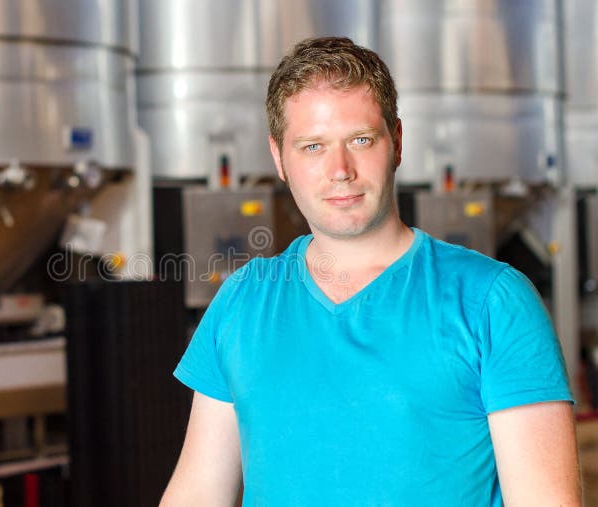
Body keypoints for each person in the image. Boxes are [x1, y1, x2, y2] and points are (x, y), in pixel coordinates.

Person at [160, 36, 580, 506]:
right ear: (279, 158)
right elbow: (198, 491)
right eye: (313, 146)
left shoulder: (492, 301)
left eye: (361, 140)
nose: (340, 169)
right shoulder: (243, 301)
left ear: (396, 141)